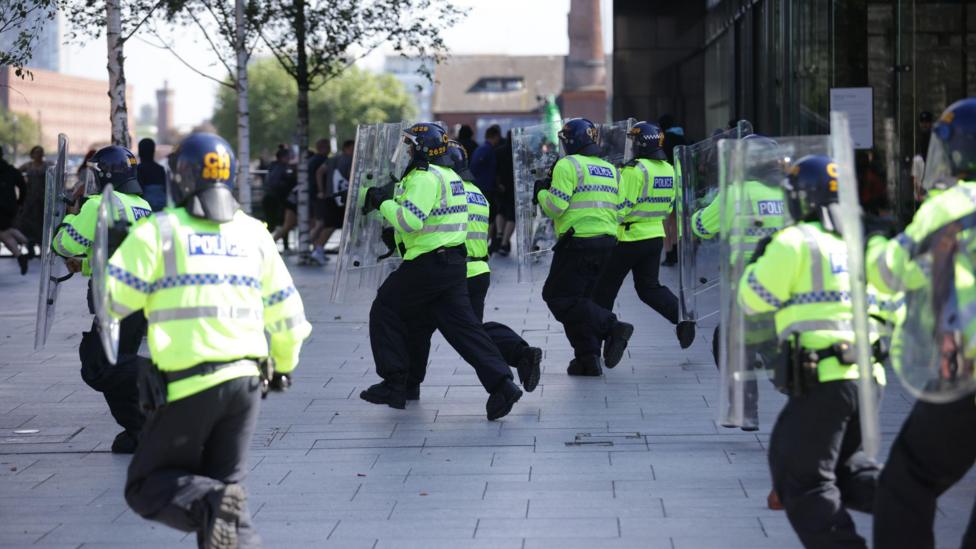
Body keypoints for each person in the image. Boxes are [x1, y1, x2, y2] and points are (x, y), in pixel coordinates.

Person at [105, 133, 310, 548]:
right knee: (229, 500)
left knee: (148, 485)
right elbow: (289, 316)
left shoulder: (157, 232)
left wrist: (116, 248)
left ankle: (212, 502)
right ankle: (218, 504)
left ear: (181, 177)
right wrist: (283, 368)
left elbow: (114, 301)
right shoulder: (254, 234)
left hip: (188, 384)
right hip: (247, 383)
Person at [740, 154, 884, 548]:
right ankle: (904, 496)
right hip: (868, 378)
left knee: (802, 482)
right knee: (843, 470)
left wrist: (758, 260)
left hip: (825, 379)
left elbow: (752, 300)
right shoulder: (858, 241)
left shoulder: (794, 242)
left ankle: (901, 502)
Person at [359, 122, 522, 420]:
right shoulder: (450, 177)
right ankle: (502, 384)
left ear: (421, 148)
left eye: (410, 145)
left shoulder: (425, 177)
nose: (407, 150)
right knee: (465, 330)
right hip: (453, 264)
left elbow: (411, 221)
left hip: (428, 263)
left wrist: (382, 202)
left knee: (385, 308)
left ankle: (394, 382)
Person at [868, 98, 976, 549]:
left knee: (907, 483)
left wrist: (871, 239)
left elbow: (892, 270)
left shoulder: (951, 204)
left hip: (967, 373)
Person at [404, 140, 543, 398]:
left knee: (421, 327)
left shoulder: (443, 190)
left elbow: (418, 224)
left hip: (448, 271)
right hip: (478, 271)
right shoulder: (478, 194)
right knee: (471, 330)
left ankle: (410, 383)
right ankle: (519, 353)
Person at [52, 145, 154, 453]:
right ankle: (139, 430)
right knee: (113, 367)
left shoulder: (99, 204)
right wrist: (83, 265)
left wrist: (69, 216)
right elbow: (115, 250)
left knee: (99, 368)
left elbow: (66, 243)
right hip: (139, 298)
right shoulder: (140, 205)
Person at [534, 118, 634, 376]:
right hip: (608, 243)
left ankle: (613, 327)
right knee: (581, 301)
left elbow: (555, 207)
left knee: (558, 297)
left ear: (570, 142)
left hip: (577, 242)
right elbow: (622, 210)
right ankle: (587, 358)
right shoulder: (611, 169)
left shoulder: (568, 165)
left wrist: (541, 193)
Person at [593, 122, 695, 351]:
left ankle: (606, 339)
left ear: (640, 143)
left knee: (604, 291)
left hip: (627, 238)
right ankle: (682, 317)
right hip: (654, 236)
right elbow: (669, 206)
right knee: (649, 288)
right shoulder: (669, 169)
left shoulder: (634, 171)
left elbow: (621, 208)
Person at [309, 139, 352, 266]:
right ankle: (317, 249)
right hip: (340, 198)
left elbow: (319, 172)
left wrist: (322, 190)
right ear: (346, 148)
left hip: (329, 197)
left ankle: (317, 249)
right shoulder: (349, 160)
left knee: (326, 224)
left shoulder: (332, 159)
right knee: (330, 225)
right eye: (352, 148)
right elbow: (351, 176)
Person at [470, 125, 501, 248]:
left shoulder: (482, 149)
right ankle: (483, 245)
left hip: (484, 188)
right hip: (485, 189)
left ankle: (484, 244)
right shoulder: (486, 150)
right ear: (495, 136)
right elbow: (475, 167)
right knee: (488, 219)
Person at [0, 146, 29, 274]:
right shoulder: (10, 169)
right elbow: (23, 186)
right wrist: (19, 202)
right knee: (4, 231)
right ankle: (26, 243)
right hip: (9, 206)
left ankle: (20, 254)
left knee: (3, 233)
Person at [16, 145, 49, 255]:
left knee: (41, 223)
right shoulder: (28, 165)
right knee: (28, 222)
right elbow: (16, 172)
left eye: (40, 152)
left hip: (43, 198)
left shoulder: (47, 165)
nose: (38, 154)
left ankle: (41, 247)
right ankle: (30, 245)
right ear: (32, 154)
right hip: (30, 199)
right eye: (36, 152)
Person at [264, 147, 297, 246]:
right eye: (288, 157)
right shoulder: (281, 168)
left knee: (281, 224)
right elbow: (276, 184)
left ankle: (284, 246)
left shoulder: (274, 167)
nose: (289, 159)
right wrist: (289, 181)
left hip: (273, 199)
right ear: (282, 157)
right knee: (275, 225)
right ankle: (265, 245)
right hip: (275, 199)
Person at [306, 138, 331, 265]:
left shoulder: (312, 160)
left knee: (316, 222)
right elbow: (320, 173)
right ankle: (308, 246)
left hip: (311, 194)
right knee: (321, 223)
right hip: (318, 195)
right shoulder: (322, 160)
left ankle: (316, 250)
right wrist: (321, 190)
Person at [493, 130, 517, 256]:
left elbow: (495, 170)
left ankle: (499, 232)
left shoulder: (498, 151)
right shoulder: (519, 152)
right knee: (512, 216)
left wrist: (498, 184)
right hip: (515, 188)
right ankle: (504, 242)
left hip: (501, 187)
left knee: (501, 210)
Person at [137, 138, 168, 212]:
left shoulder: (138, 170)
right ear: (153, 151)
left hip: (145, 209)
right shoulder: (160, 169)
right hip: (162, 208)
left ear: (139, 152)